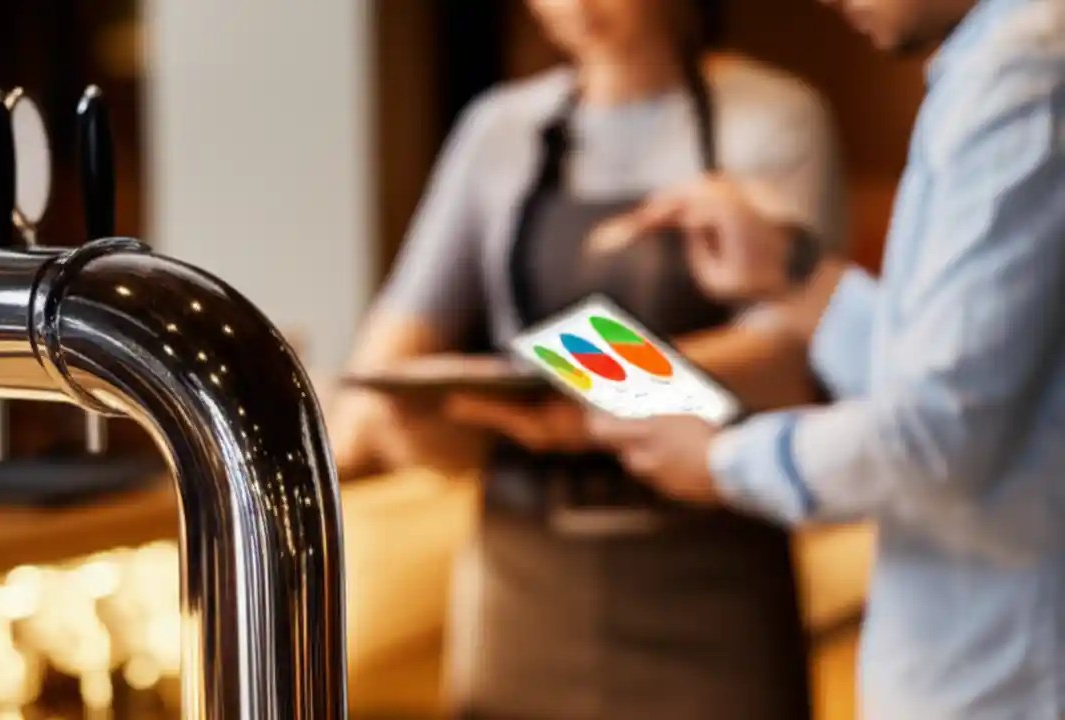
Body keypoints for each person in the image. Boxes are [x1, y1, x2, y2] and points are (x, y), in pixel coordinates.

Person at [332, 1, 846, 717]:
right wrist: (384, 403)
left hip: (708, 559)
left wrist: (582, 391)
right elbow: (402, 330)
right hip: (526, 569)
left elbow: (784, 349)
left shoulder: (773, 117)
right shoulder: (500, 128)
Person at [589, 0, 1065, 717]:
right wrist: (796, 274)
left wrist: (722, 461)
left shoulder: (1022, 77)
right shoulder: (996, 68)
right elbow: (963, 377)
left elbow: (935, 438)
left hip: (1007, 676)